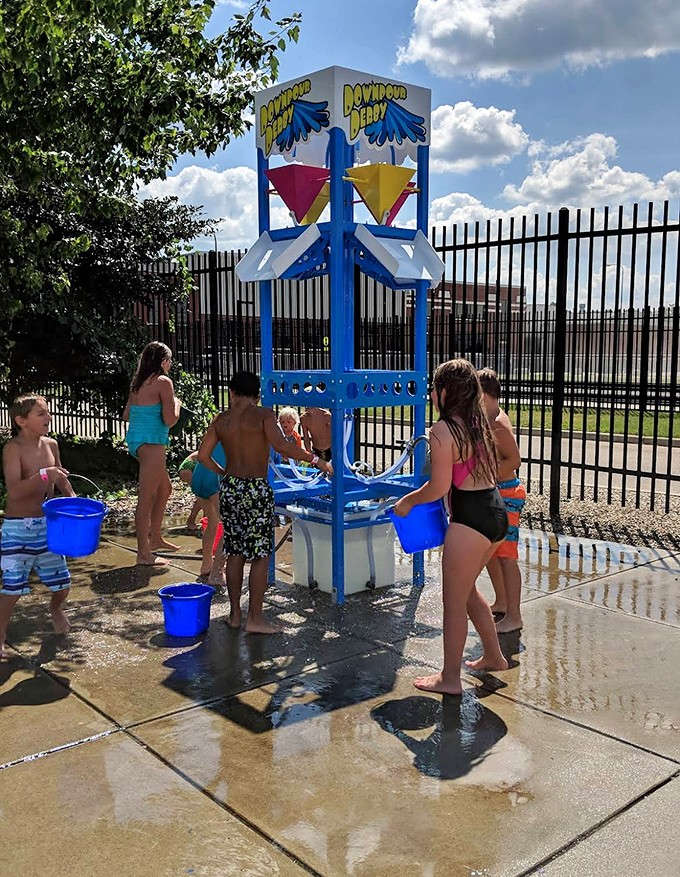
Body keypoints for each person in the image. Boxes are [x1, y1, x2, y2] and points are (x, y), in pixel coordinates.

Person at [393, 359, 509, 695]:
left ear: (446, 392)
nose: (431, 393)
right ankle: (493, 656)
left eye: (434, 387)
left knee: (453, 604)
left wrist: (408, 502)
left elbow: (439, 488)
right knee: (468, 592)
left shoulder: (443, 431)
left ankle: (450, 678)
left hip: (470, 521)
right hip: (494, 512)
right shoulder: (478, 424)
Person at [198, 371, 332, 634]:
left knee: (234, 552)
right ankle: (255, 619)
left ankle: (235, 615)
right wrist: (318, 461)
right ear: (257, 394)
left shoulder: (221, 420)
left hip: (231, 487)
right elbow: (284, 447)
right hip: (256, 488)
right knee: (260, 554)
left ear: (232, 393)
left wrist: (223, 472)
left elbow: (202, 455)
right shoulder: (263, 416)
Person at [1, 395, 75, 658]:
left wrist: (75, 503)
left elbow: (62, 481)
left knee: (62, 583)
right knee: (12, 588)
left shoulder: (51, 445)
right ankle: (0, 636)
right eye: (41, 414)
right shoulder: (13, 449)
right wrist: (44, 475)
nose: (48, 417)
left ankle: (55, 609)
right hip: (17, 527)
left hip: (47, 525)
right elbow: (14, 492)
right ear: (21, 420)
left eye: (48, 412)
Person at [122, 341, 180, 566]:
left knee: (165, 489)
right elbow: (169, 420)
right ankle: (143, 554)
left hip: (138, 442)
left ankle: (155, 538)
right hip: (152, 443)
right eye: (170, 360)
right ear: (163, 361)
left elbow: (127, 414)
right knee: (145, 499)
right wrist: (176, 404)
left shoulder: (137, 383)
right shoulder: (163, 382)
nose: (171, 365)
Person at [478, 368, 526, 634]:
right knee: (492, 553)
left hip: (507, 493)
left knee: (506, 556)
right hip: (498, 491)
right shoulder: (489, 417)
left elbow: (514, 460)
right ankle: (503, 602)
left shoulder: (498, 423)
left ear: (484, 395)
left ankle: (515, 615)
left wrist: (490, 475)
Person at [178, 452, 203, 530]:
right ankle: (190, 521)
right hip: (189, 468)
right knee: (202, 497)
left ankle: (205, 520)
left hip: (193, 467)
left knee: (205, 496)